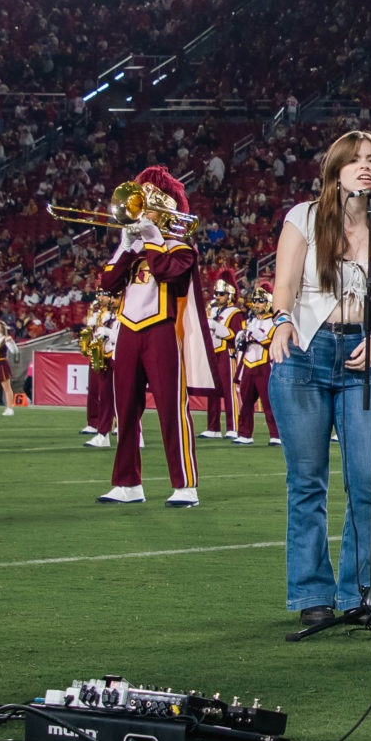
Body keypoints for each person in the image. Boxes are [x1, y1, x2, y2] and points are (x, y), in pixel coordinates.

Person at [267, 132, 371, 622]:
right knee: (307, 481)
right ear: (335, 171)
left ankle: (361, 594)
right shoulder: (303, 217)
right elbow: (283, 287)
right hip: (305, 353)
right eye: (355, 160)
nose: (365, 167)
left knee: (369, 483)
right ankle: (311, 596)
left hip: (362, 359)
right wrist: (281, 321)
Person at [97, 167, 215, 507]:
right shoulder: (135, 250)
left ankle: (185, 485)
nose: (142, 208)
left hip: (162, 331)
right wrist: (124, 246)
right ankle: (127, 483)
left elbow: (167, 273)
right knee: (125, 410)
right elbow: (107, 283)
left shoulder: (181, 248)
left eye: (149, 202)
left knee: (171, 409)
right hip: (128, 332)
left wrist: (151, 236)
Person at [236, 285, 280, 446]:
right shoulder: (250, 320)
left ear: (268, 302)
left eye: (260, 301)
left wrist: (253, 333)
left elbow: (270, 341)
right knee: (246, 401)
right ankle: (244, 433)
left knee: (269, 402)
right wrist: (241, 337)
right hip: (249, 363)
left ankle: (276, 435)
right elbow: (241, 343)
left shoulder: (274, 321)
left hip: (265, 364)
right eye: (255, 301)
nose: (256, 304)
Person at [203, 272, 244, 440]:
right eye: (216, 294)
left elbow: (237, 335)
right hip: (212, 353)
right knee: (211, 390)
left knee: (229, 391)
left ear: (230, 295)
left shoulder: (235, 313)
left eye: (221, 294)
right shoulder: (211, 310)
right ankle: (213, 427)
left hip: (227, 353)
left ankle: (233, 426)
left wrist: (216, 326)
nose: (217, 296)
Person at [80, 300, 118, 448]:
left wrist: (109, 332)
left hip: (119, 357)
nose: (101, 298)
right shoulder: (103, 314)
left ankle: (127, 431)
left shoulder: (123, 312)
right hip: (105, 356)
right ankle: (103, 433)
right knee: (105, 397)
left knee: (123, 398)